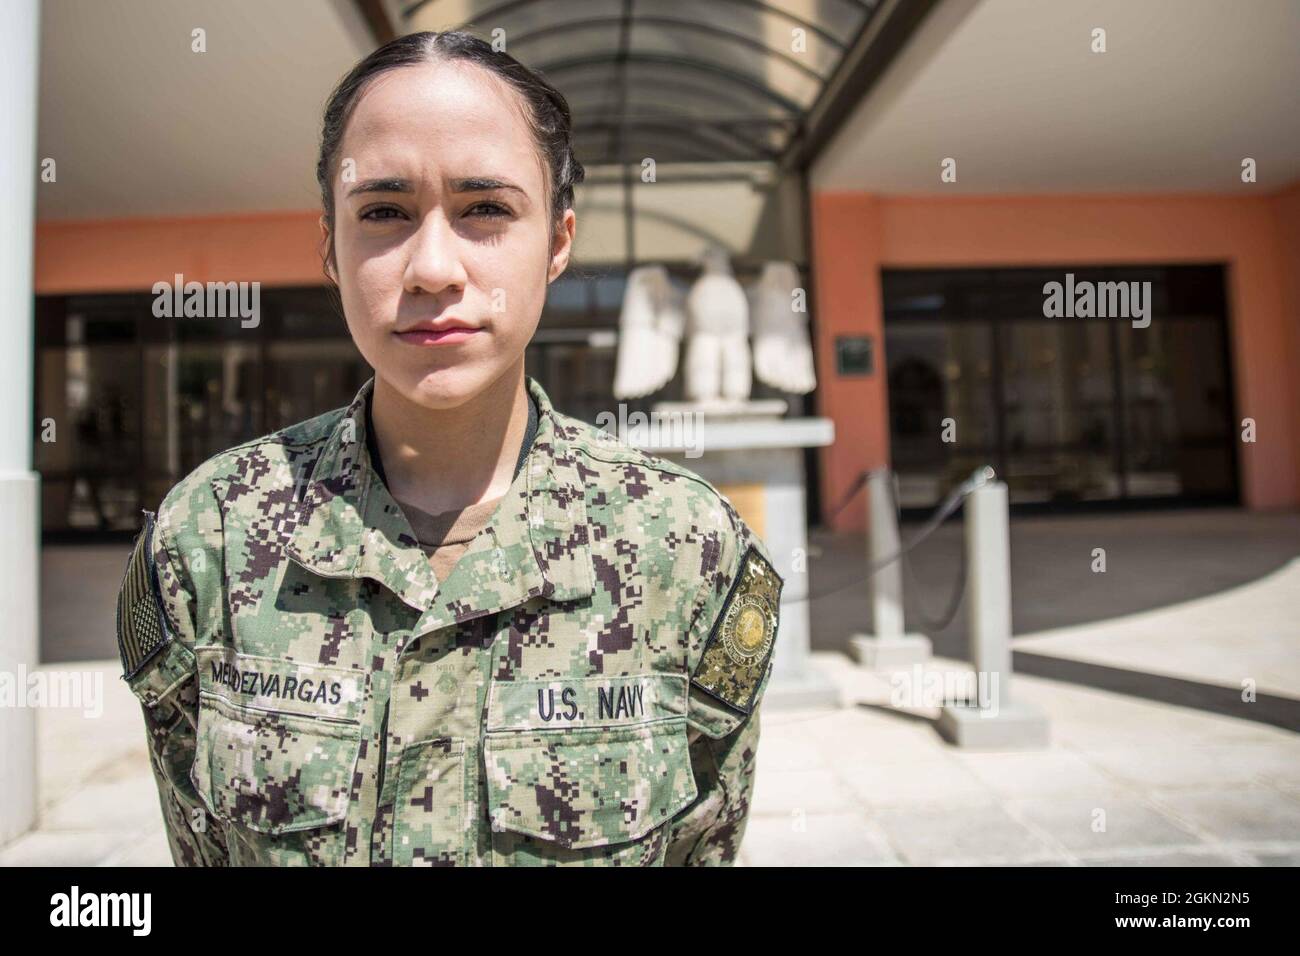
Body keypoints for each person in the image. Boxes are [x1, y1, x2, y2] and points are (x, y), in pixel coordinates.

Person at [114, 29, 783, 867]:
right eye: (384, 212)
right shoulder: (206, 539)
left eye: (488, 209)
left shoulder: (687, 551)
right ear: (330, 246)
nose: (432, 267)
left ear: (560, 242)